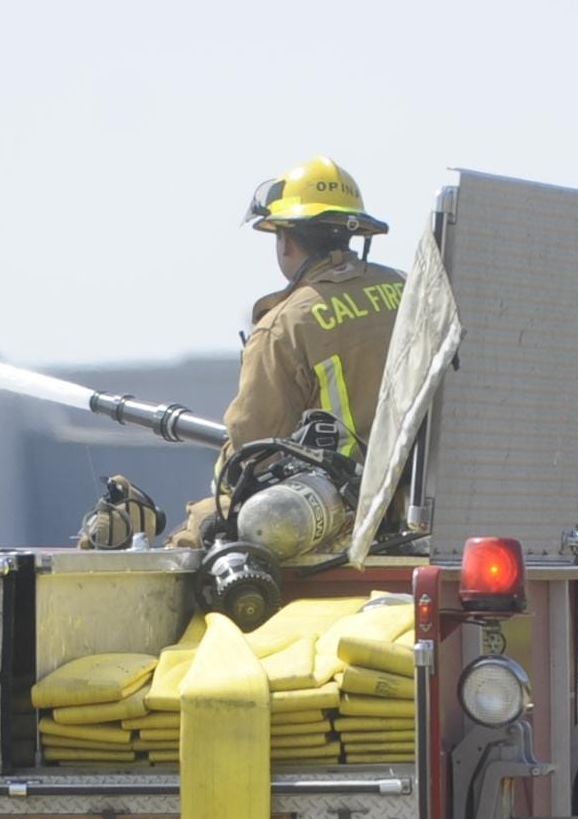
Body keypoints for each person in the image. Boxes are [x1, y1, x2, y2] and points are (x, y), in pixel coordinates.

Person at [173, 155, 406, 546]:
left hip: (342, 520)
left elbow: (249, 455)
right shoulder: (410, 289)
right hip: (425, 507)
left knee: (200, 530)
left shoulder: (283, 326)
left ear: (285, 240)